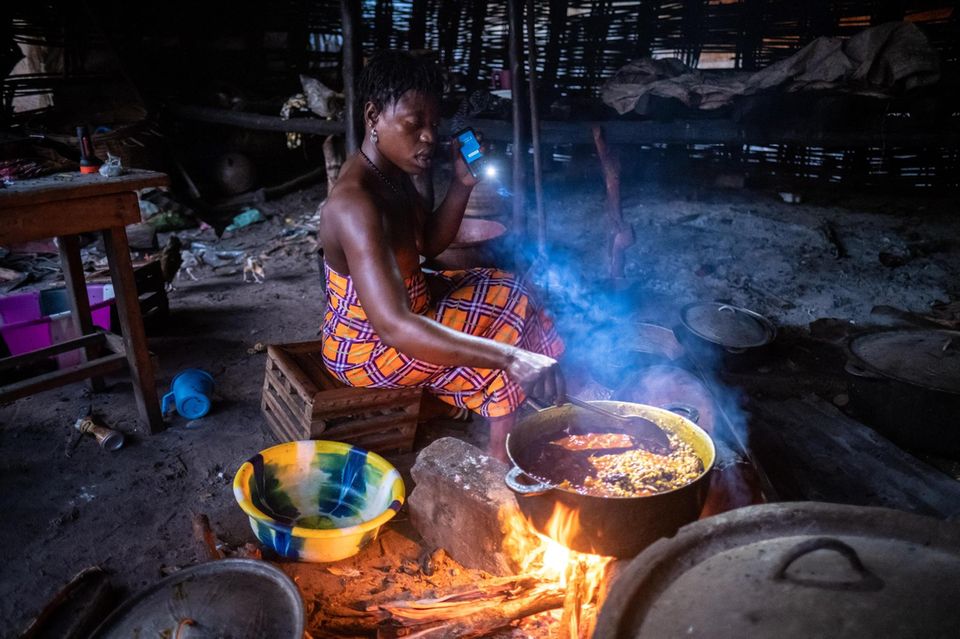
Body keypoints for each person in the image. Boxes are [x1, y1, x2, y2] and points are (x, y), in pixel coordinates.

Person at [319, 51, 564, 459]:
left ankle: (521, 398)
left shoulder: (390, 175)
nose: (429, 136)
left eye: (434, 124)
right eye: (414, 124)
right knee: (506, 317)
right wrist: (512, 357)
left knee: (508, 285)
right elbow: (395, 327)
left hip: (412, 306)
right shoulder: (355, 204)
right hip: (365, 348)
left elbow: (427, 243)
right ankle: (503, 451)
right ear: (373, 116)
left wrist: (462, 183)